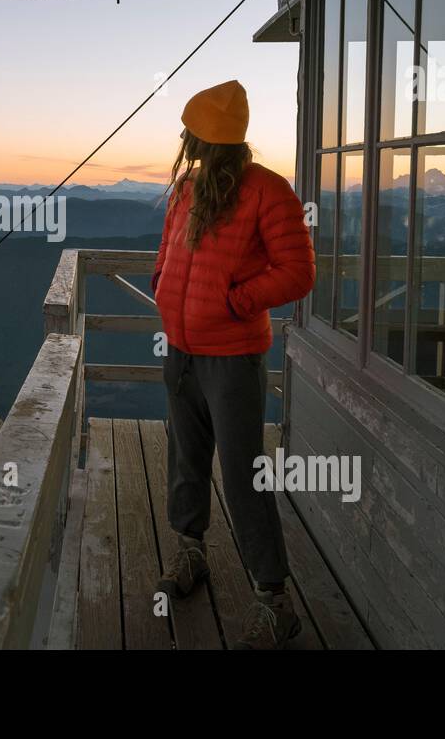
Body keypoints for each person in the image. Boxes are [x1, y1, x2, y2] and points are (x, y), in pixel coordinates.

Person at [150, 79, 316, 649]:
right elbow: (168, 250)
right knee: (185, 458)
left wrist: (235, 302)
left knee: (244, 475)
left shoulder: (270, 192)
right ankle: (191, 550)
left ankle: (275, 600)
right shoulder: (185, 191)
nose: (183, 139)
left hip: (233, 359)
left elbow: (298, 273)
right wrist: (162, 288)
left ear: (209, 139)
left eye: (190, 131)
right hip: (182, 349)